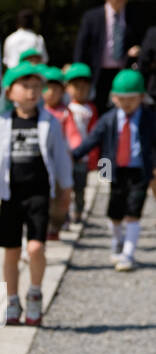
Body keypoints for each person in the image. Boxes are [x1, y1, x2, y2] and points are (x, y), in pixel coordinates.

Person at [0, 63, 74, 323]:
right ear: (10, 91)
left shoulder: (49, 121)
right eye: (25, 86)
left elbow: (60, 157)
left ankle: (35, 293)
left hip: (38, 194)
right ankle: (12, 300)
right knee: (11, 251)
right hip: (9, 194)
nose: (31, 92)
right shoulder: (0, 121)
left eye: (37, 87)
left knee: (36, 248)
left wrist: (66, 189)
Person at [72, 68, 156, 271]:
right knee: (113, 211)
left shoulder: (149, 118)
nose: (127, 103)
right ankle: (117, 241)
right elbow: (93, 139)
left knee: (134, 210)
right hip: (112, 167)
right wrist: (71, 156)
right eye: (122, 98)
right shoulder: (109, 119)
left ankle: (128, 253)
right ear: (114, 98)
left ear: (142, 98)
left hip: (140, 169)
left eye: (132, 99)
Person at [74, 0, 141, 111]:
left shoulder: (134, 16)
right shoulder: (92, 17)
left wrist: (137, 50)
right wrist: (79, 73)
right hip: (98, 73)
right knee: (97, 107)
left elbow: (140, 41)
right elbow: (81, 48)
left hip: (123, 73)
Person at [41, 67, 80, 238]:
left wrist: (74, 148)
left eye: (56, 90)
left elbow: (73, 135)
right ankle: (45, 223)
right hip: (41, 160)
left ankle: (58, 221)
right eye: (47, 88)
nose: (50, 93)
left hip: (61, 159)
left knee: (62, 192)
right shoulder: (38, 112)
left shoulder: (65, 112)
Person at [65, 63, 100, 225]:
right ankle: (64, 213)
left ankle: (78, 211)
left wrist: (94, 157)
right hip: (66, 155)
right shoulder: (65, 109)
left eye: (84, 87)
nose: (80, 90)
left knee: (80, 187)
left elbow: (95, 135)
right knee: (65, 187)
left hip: (83, 157)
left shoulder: (91, 109)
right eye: (76, 86)